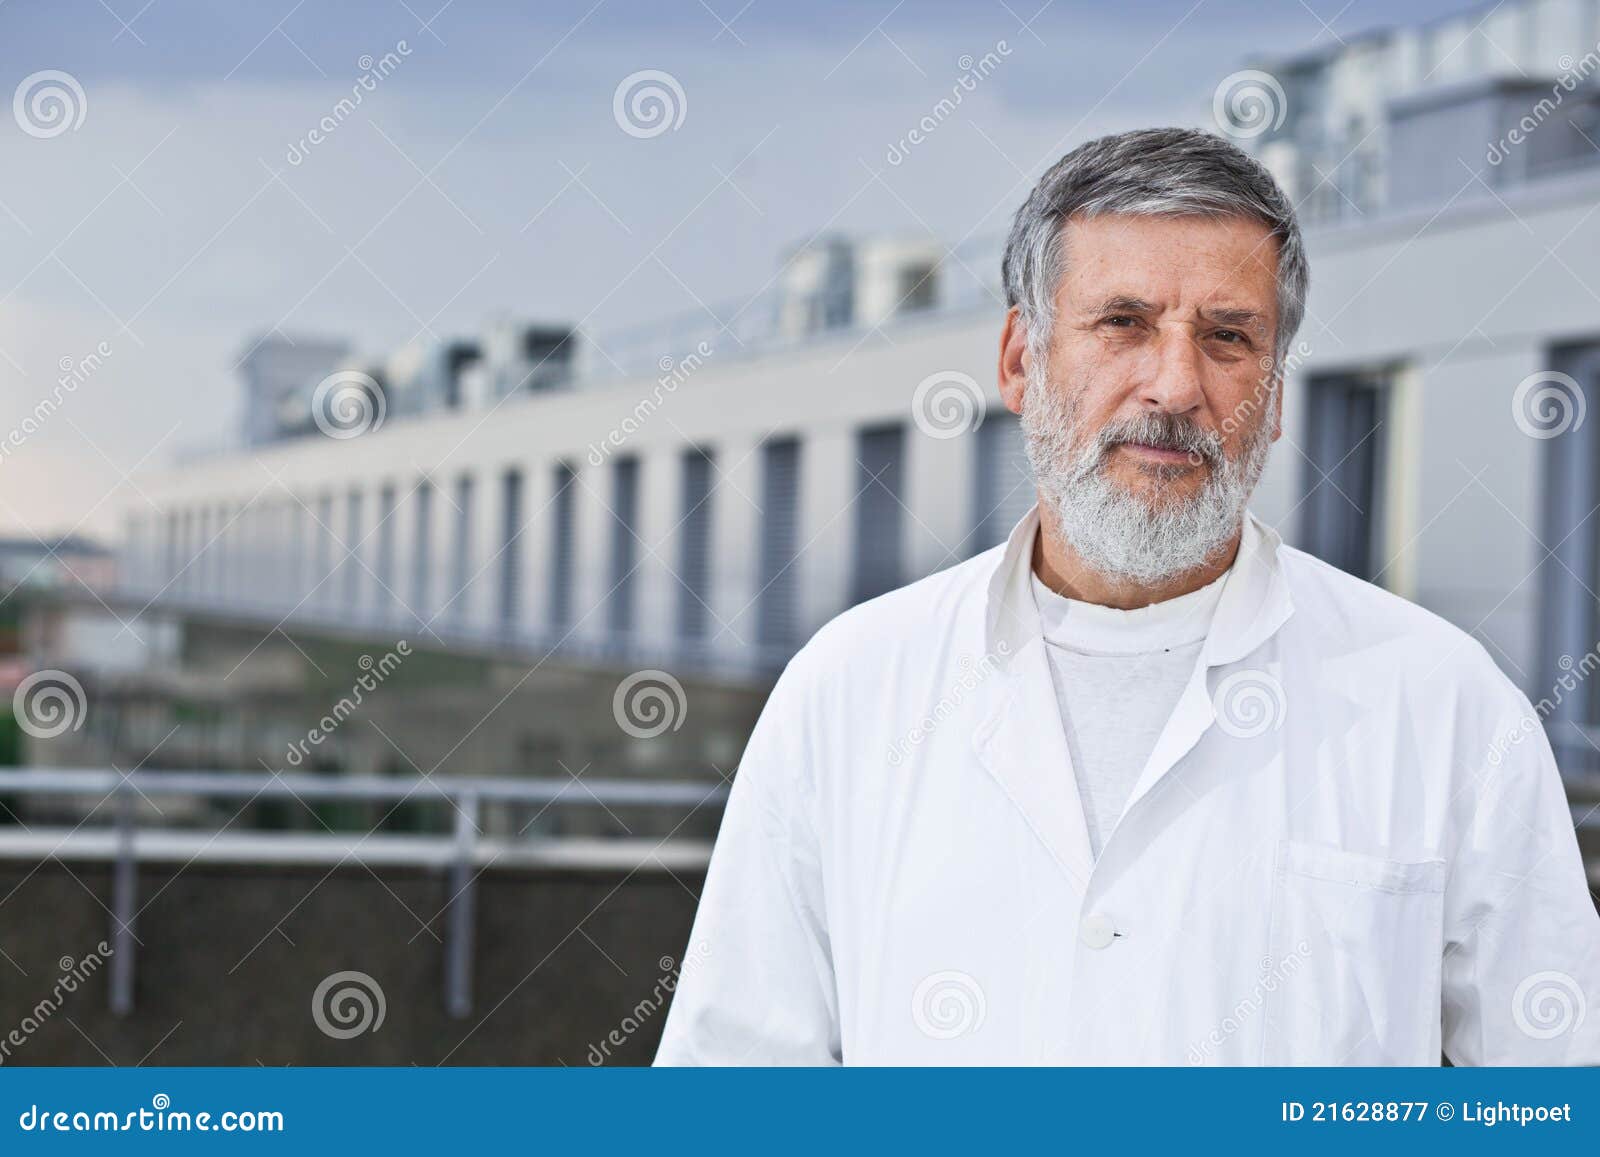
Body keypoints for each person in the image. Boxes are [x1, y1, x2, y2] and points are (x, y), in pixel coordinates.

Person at [654, 127, 1600, 1065]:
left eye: (1229, 337)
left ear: (1272, 399)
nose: (1176, 384)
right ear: (1021, 360)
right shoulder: (851, 686)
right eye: (1124, 323)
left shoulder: (1441, 702)